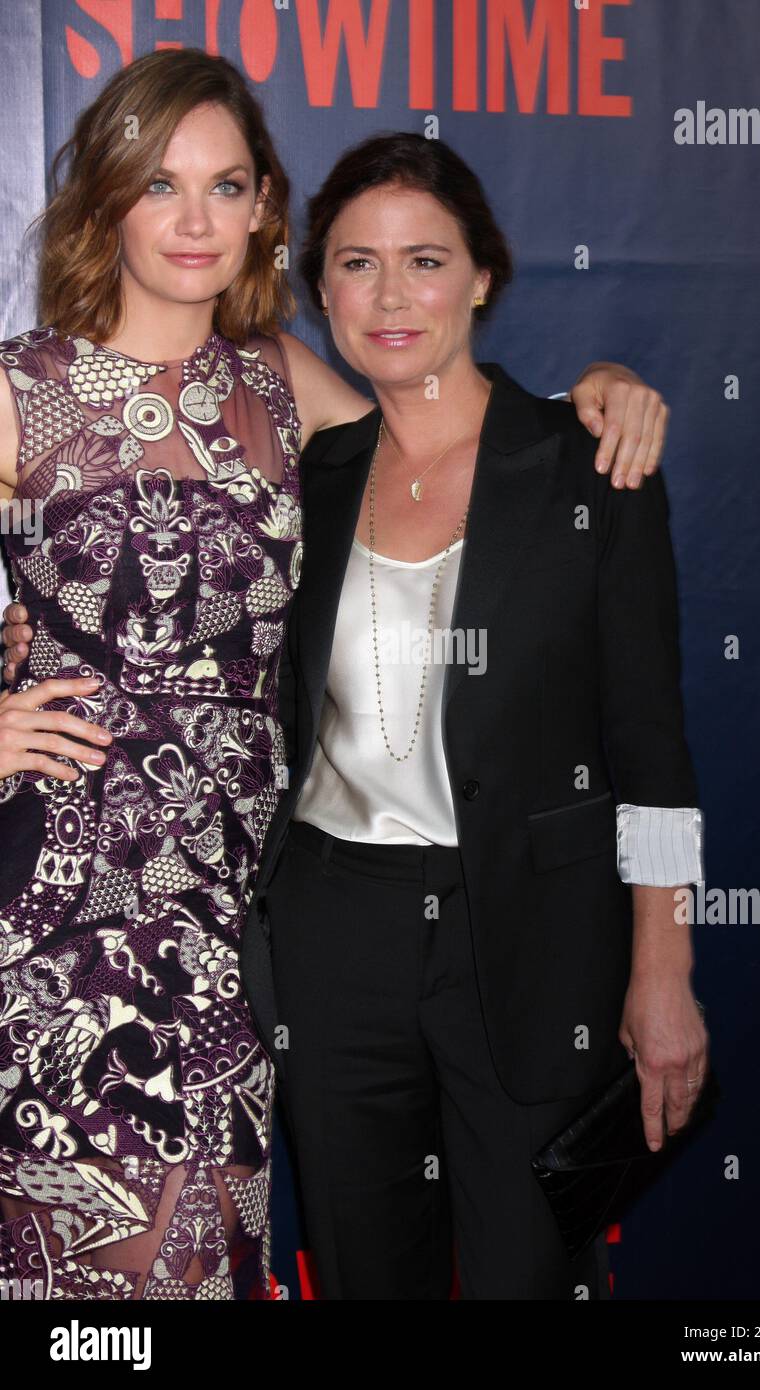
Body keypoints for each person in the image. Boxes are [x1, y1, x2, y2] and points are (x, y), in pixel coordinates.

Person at [0, 52, 664, 1299]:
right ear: (106, 202)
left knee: (204, 1245)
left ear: (263, 207)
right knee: (85, 1261)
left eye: (226, 184)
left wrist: (596, 396)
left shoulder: (282, 386)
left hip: (245, 910)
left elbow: (452, 428)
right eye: (158, 185)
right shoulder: (20, 392)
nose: (193, 220)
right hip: (66, 902)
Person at [237, 133, 710, 1301]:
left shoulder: (586, 465)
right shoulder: (307, 472)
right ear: (321, 288)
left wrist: (663, 968)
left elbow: (650, 748)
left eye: (425, 260)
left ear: (482, 276)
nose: (390, 295)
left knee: (523, 1271)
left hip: (535, 936)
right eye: (356, 264)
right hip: (333, 933)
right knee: (359, 1270)